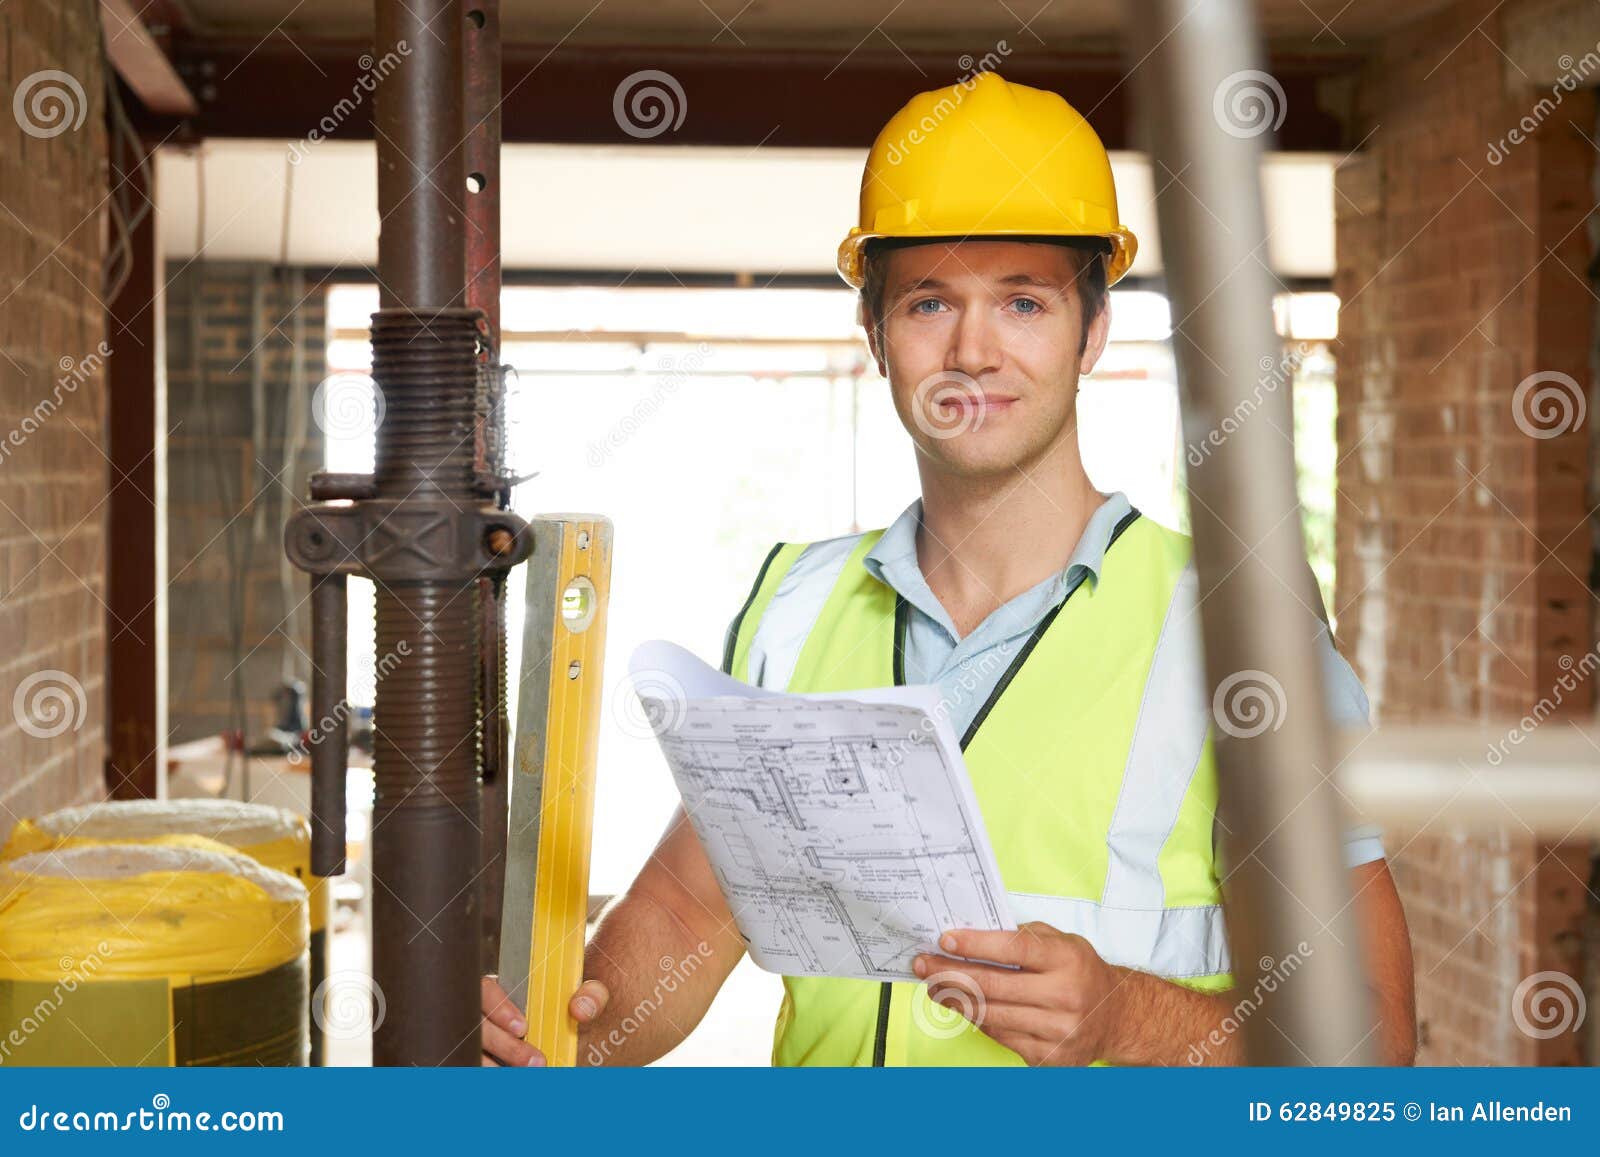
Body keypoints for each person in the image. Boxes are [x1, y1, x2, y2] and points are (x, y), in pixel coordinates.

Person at [482, 71, 1415, 1068]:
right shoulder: (796, 607)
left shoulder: (1234, 633)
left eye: (1022, 301)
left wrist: (1122, 1017)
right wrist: (561, 1030)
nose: (973, 349)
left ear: (1091, 330)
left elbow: (1369, 1037)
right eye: (930, 302)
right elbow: (686, 907)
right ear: (874, 332)